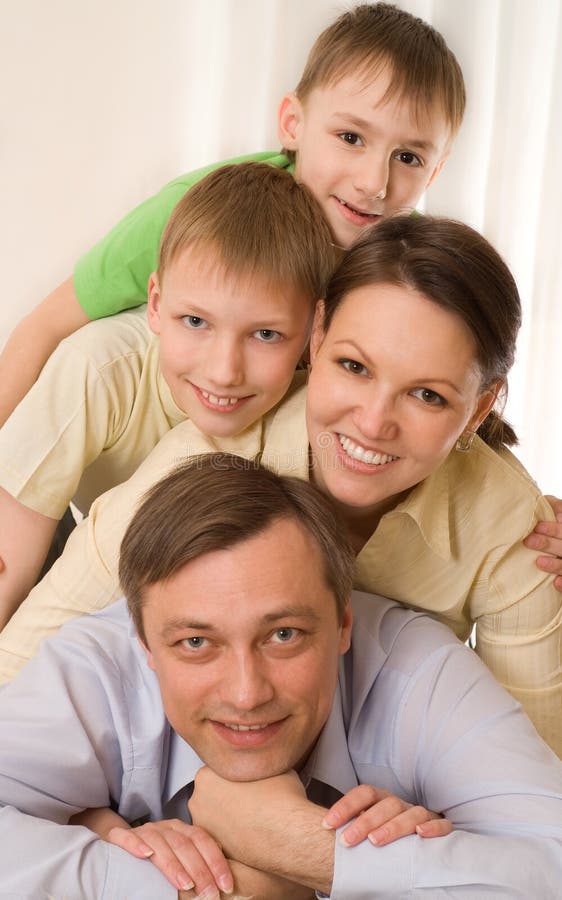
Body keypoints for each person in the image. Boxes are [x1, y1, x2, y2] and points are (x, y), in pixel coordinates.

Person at [2, 3, 560, 581]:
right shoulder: (200, 212)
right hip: (107, 478)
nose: (374, 182)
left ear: (437, 171)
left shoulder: (394, 269)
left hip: (223, 514)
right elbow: (47, 325)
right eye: (350, 137)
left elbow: (448, 396)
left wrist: (528, 514)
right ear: (292, 123)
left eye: (409, 157)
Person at [1, 215, 561, 758]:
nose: (372, 423)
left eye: (427, 396)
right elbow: (24, 663)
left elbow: (534, 778)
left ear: (479, 408)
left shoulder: (515, 532)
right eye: (354, 367)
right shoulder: (207, 461)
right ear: (316, 339)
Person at [0, 456, 560, 899]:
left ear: (342, 623)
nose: (247, 694)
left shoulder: (418, 670)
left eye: (284, 635)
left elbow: (553, 866)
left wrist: (308, 853)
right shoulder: (97, 665)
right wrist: (185, 888)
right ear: (143, 643)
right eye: (197, 643)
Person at [0, 161, 335, 629]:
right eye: (196, 322)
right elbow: (9, 560)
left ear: (311, 334)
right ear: (156, 304)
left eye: (264, 334)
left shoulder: (312, 421)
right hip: (58, 525)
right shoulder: (96, 370)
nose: (224, 372)